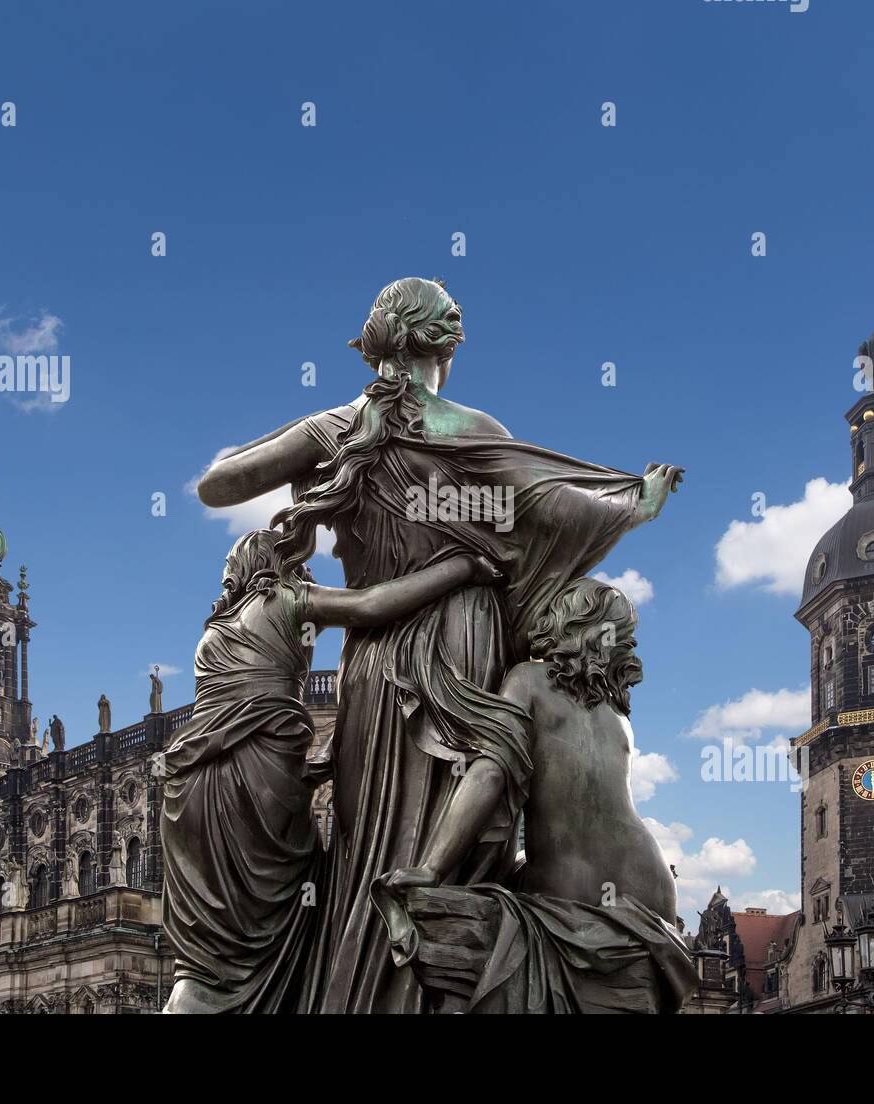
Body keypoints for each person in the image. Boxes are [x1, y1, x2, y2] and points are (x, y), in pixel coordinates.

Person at [197, 277, 681, 1012]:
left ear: (375, 344)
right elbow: (558, 506)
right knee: (473, 835)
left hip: (379, 654)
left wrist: (327, 431)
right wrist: (631, 502)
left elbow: (217, 485)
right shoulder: (474, 429)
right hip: (467, 644)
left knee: (371, 840)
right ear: (445, 348)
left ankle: (359, 990)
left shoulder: (339, 429)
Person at [160, 528, 504, 1014]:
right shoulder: (282, 598)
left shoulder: (217, 626)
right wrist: (461, 568)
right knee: (282, 920)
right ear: (280, 566)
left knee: (212, 955)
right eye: (300, 564)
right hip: (253, 783)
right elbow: (369, 605)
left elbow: (245, 695)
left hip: (189, 789)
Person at [376, 577, 695, 1013]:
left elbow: (490, 774)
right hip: (654, 898)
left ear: (567, 621)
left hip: (572, 895)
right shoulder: (617, 713)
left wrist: (431, 867)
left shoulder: (529, 680)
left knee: (481, 975)